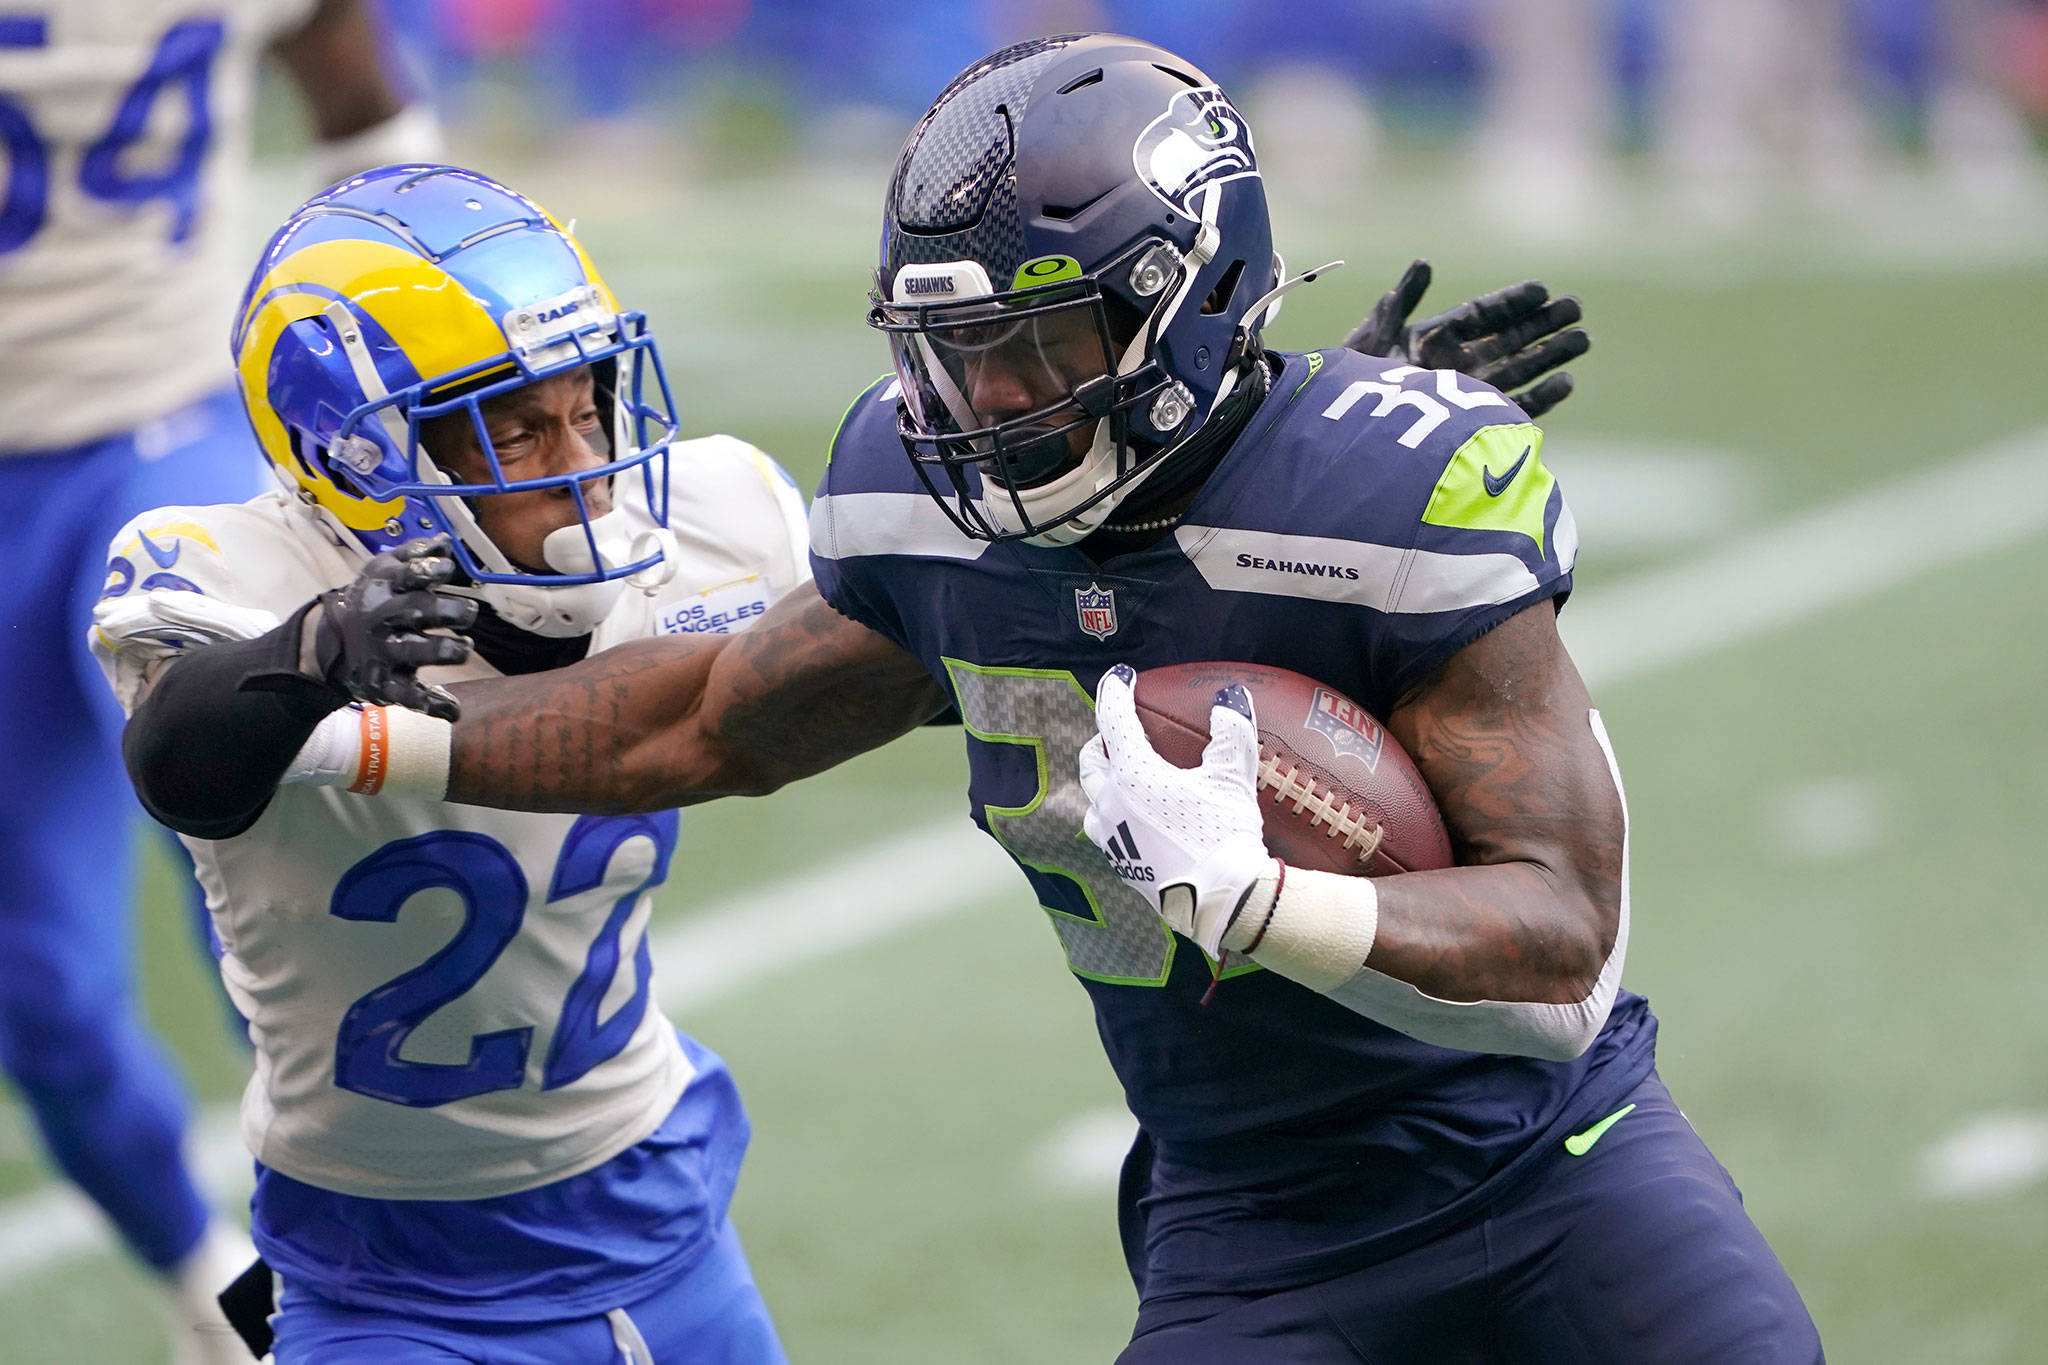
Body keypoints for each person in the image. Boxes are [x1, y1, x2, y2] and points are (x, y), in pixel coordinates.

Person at [203, 33, 1810, 1362]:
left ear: (1183, 302)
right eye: (956, 351)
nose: (989, 405)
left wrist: (1262, 903)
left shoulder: (1398, 495)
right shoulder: (924, 514)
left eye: (1037, 346)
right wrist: (346, 727)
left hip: (1550, 1160)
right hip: (1250, 1211)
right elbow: (697, 723)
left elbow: (1558, 930)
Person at [92, 165, 804, 1362]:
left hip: (664, 1198)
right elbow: (179, 763)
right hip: (391, 1275)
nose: (575, 461)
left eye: (586, 407)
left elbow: (910, 653)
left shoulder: (717, 519)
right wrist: (312, 648)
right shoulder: (234, 575)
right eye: (514, 429)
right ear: (354, 455)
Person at [0, 3, 434, 1359]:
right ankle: (206, 1286)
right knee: (36, 977)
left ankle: (382, 1253)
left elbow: (362, 102)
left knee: (266, 800)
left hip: (164, 418)